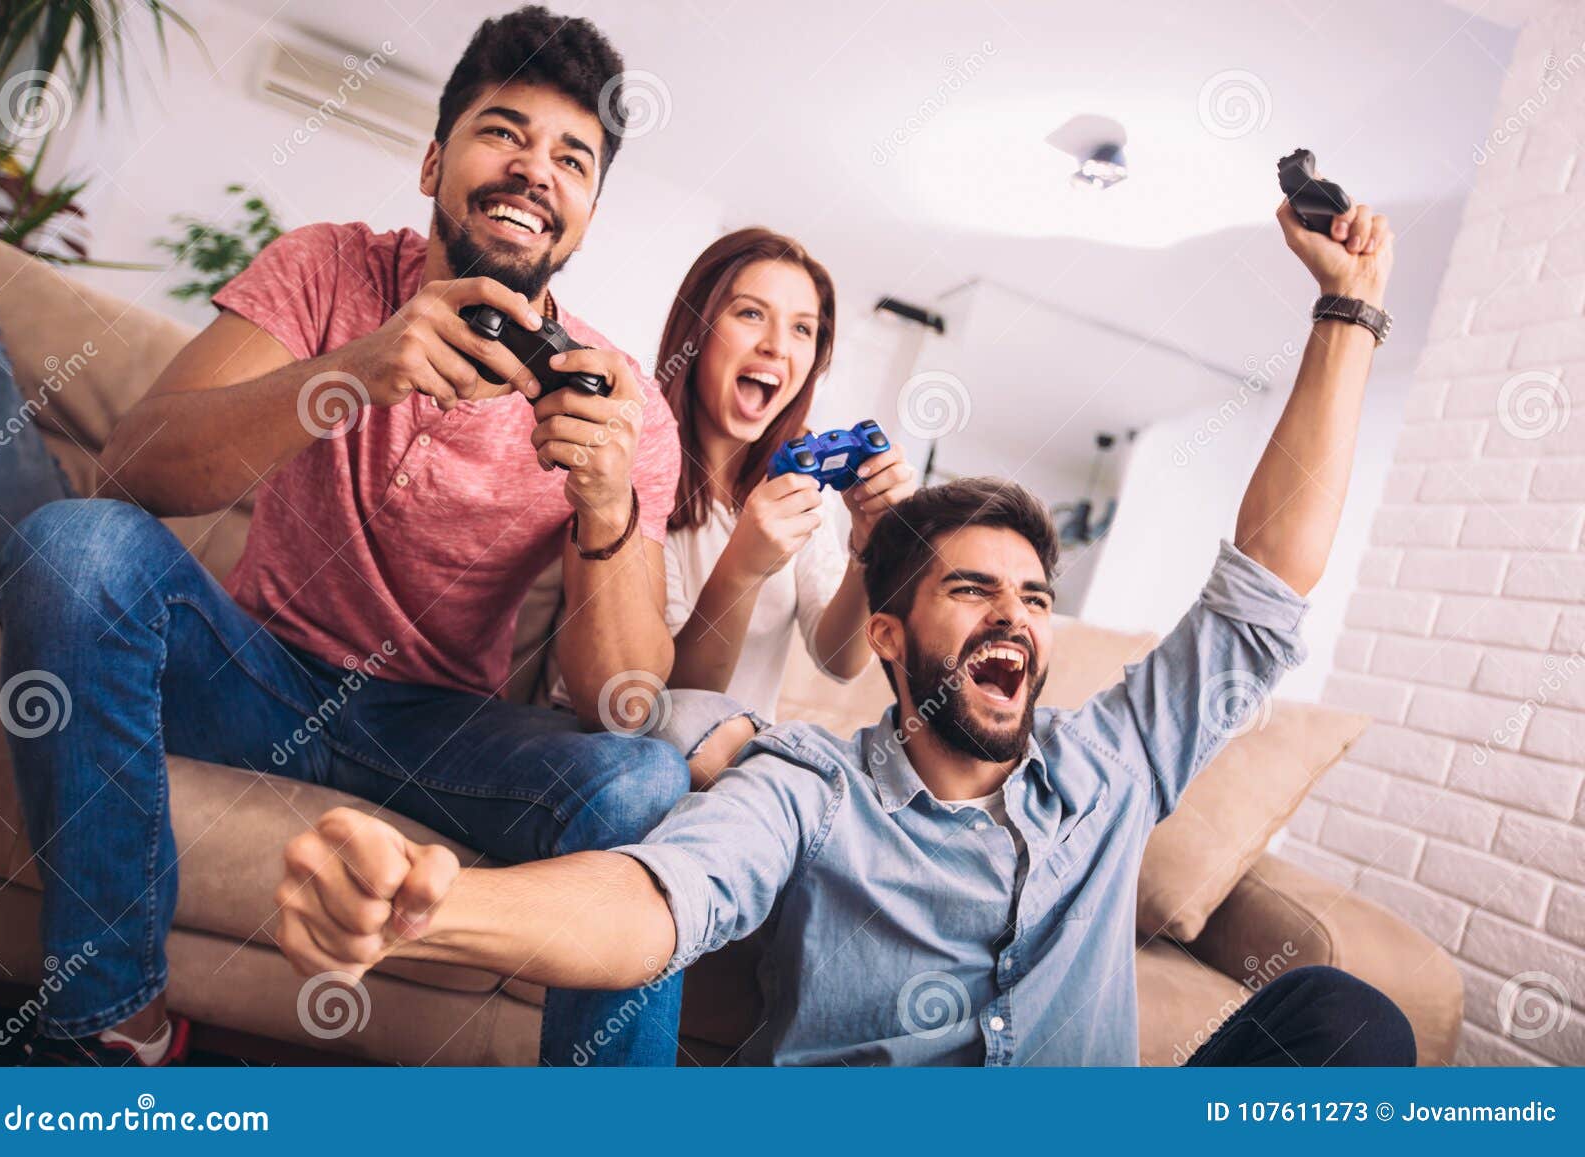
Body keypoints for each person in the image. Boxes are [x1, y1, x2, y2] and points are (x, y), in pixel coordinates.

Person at [274, 195, 1418, 1065]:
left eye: (1030, 596)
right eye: (970, 590)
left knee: (1343, 1016)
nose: (1011, 613)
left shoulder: (1111, 760)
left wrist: (1349, 309)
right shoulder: (808, 785)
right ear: (892, 634)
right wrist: (439, 907)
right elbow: (654, 896)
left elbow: (1262, 584)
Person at [0, 7, 693, 1067]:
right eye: (501, 131)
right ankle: (112, 1022)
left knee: (645, 784)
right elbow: (136, 470)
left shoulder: (622, 402)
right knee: (70, 546)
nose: (534, 168)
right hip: (253, 676)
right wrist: (352, 370)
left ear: (587, 213)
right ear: (433, 160)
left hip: (443, 736)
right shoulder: (328, 269)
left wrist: (606, 504)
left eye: (571, 157)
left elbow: (620, 701)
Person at [651, 228, 917, 785]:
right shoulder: (642, 474)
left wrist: (870, 546)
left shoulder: (799, 486)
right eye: (751, 314)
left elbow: (840, 660)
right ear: (695, 331)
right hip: (662, 765)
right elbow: (670, 706)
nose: (778, 345)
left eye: (803, 328)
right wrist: (745, 565)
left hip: (741, 781)